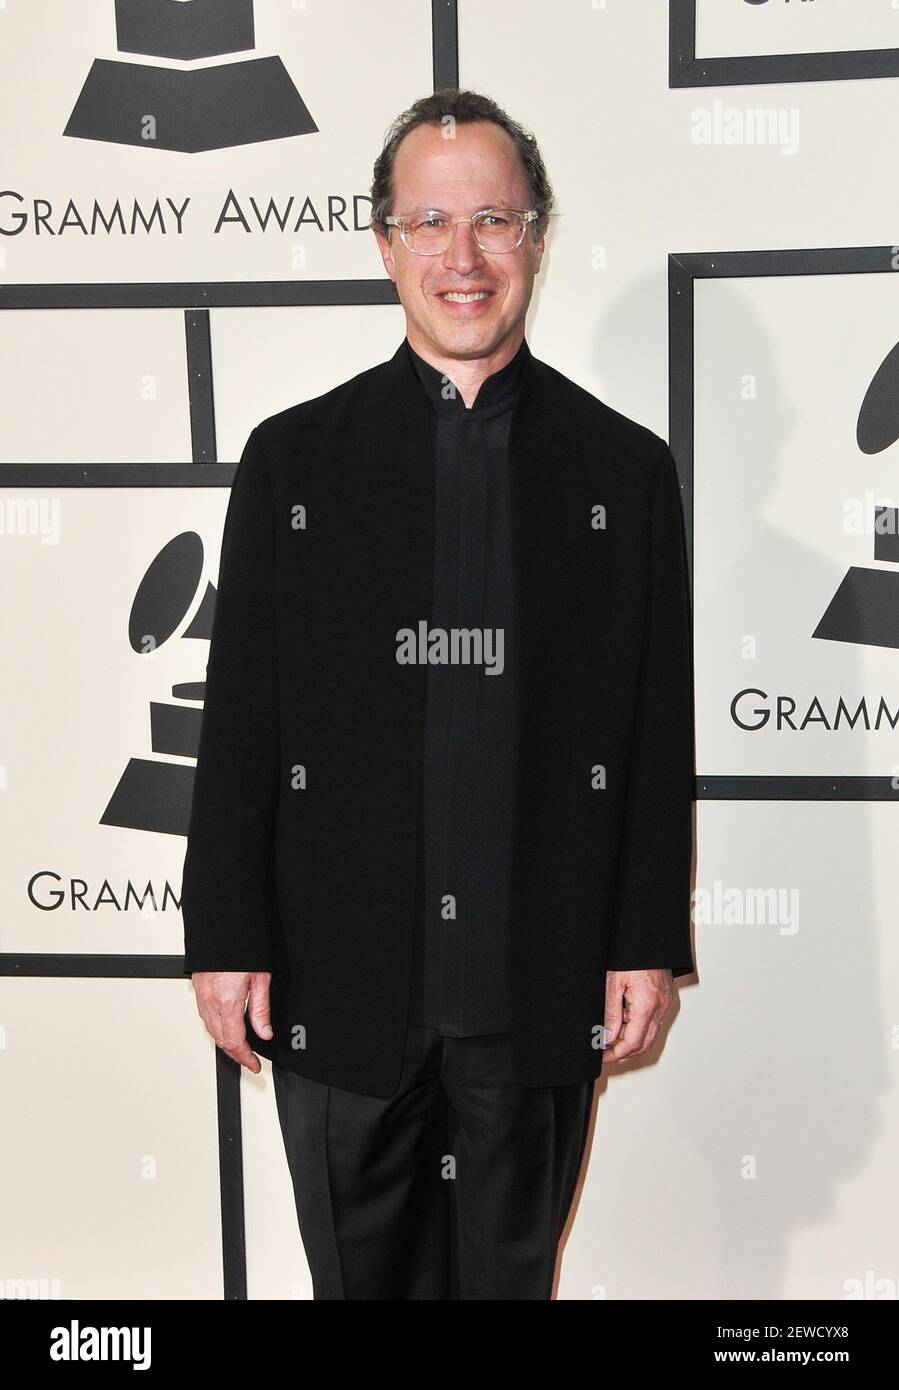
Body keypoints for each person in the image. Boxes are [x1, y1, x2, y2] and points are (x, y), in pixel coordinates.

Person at [182, 88, 695, 1300]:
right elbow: (242, 716)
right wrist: (225, 934)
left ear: (536, 236)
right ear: (384, 243)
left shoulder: (622, 468)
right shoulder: (292, 459)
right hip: (339, 980)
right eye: (428, 222)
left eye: (493, 222)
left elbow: (650, 724)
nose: (461, 259)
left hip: (540, 975)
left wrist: (640, 942)